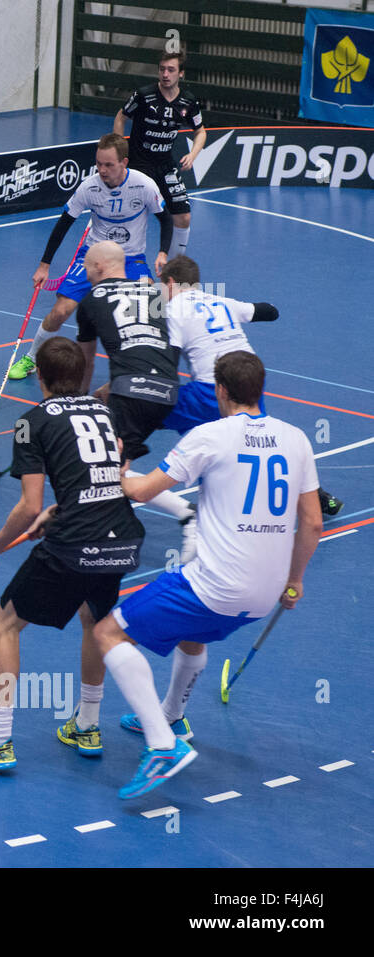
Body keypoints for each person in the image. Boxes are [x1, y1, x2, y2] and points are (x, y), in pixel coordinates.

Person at [94, 350, 322, 798]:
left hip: (216, 586)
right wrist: (293, 583)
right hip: (263, 597)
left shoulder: (209, 435)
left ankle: (163, 745)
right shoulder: (296, 438)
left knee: (108, 633)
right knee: (190, 630)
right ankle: (174, 716)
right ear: (261, 389)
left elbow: (140, 491)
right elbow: (312, 522)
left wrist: (114, 465)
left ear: (219, 390)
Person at [0, 336, 144, 772]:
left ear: (40, 377)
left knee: (5, 623)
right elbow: (114, 472)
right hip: (121, 538)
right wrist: (67, 505)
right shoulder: (104, 410)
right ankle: (87, 725)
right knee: (95, 620)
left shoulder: (30, 421)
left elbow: (29, 505)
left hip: (76, 542)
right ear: (82, 376)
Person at [160, 255, 344, 517]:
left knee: (149, 409)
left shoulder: (174, 308)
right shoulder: (221, 301)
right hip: (250, 376)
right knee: (259, 440)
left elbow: (169, 360)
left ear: (169, 283)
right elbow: (269, 311)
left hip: (212, 388)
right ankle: (318, 495)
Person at [7, 132, 171, 381]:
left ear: (124, 163)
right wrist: (44, 265)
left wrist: (162, 252)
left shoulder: (144, 185)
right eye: (99, 163)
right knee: (61, 311)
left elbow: (166, 218)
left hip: (131, 259)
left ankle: (147, 366)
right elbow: (64, 224)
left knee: (150, 306)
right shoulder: (89, 186)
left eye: (109, 165)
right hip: (93, 256)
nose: (102, 170)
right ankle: (32, 357)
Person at [75, 241, 198, 553]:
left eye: (87, 267)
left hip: (131, 394)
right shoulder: (153, 293)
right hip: (168, 389)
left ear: (99, 267)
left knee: (104, 469)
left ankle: (185, 515)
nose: (86, 273)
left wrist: (77, 404)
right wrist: (115, 384)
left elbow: (85, 362)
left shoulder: (90, 301)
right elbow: (166, 346)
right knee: (118, 462)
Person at [114, 48, 204, 258]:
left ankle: (172, 269)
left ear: (180, 73)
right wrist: (120, 153)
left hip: (165, 165)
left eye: (171, 70)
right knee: (131, 216)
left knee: (183, 217)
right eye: (162, 69)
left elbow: (200, 131)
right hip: (139, 165)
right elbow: (121, 117)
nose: (165, 74)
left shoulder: (188, 102)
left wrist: (193, 154)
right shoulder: (144, 95)